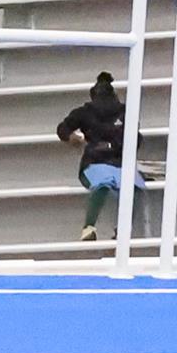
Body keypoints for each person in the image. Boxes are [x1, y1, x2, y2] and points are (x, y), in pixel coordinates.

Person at [57, 71, 141, 243]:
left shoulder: (93, 112)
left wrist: (72, 137)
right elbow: (63, 129)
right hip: (104, 162)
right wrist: (72, 137)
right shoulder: (122, 112)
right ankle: (101, 228)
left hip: (110, 162)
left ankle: (98, 228)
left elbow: (63, 129)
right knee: (115, 186)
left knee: (120, 186)